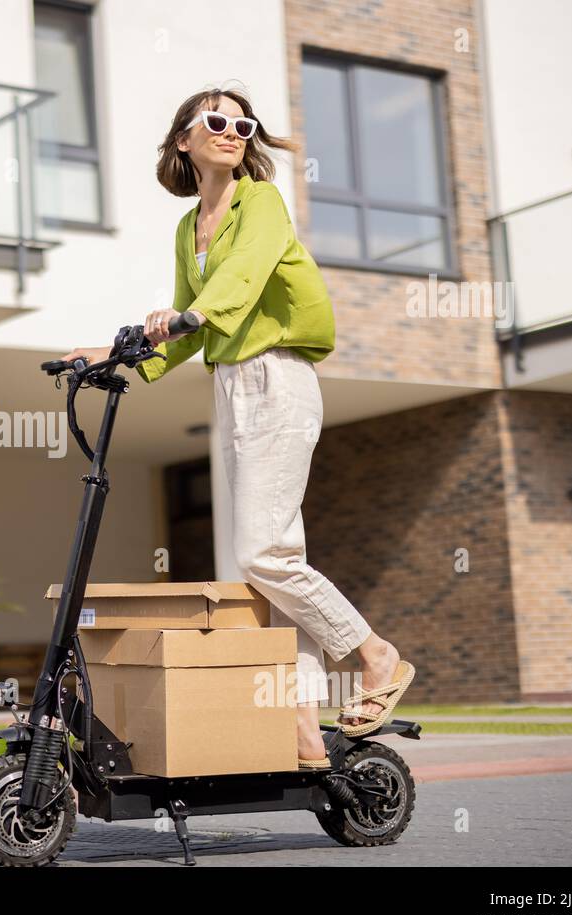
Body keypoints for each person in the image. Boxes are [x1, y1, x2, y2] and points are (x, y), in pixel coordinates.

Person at [59, 87, 416, 768]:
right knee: (271, 569)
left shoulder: (260, 202)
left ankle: (376, 655)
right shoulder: (188, 226)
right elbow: (187, 330)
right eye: (215, 122)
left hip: (275, 377)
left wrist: (189, 314)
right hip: (231, 387)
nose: (232, 132)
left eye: (242, 124)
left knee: (263, 556)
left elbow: (242, 282)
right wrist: (110, 353)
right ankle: (307, 736)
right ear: (184, 141)